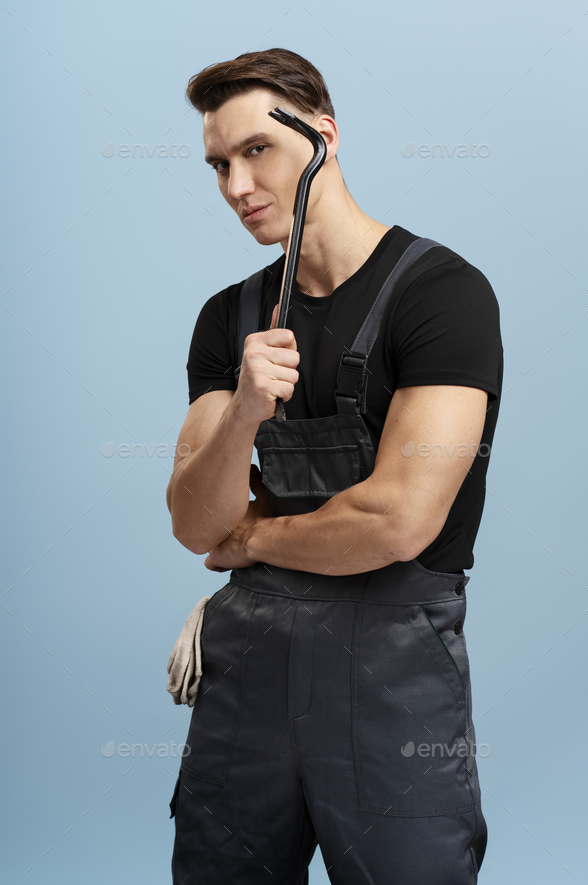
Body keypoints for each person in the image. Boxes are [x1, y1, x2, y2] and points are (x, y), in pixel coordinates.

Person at [166, 47, 503, 885]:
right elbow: (195, 522)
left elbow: (397, 520)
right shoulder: (229, 319)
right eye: (219, 164)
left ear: (323, 135)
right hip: (247, 678)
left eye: (258, 150)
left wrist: (251, 541)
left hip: (392, 679)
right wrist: (244, 408)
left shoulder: (441, 295)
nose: (237, 185)